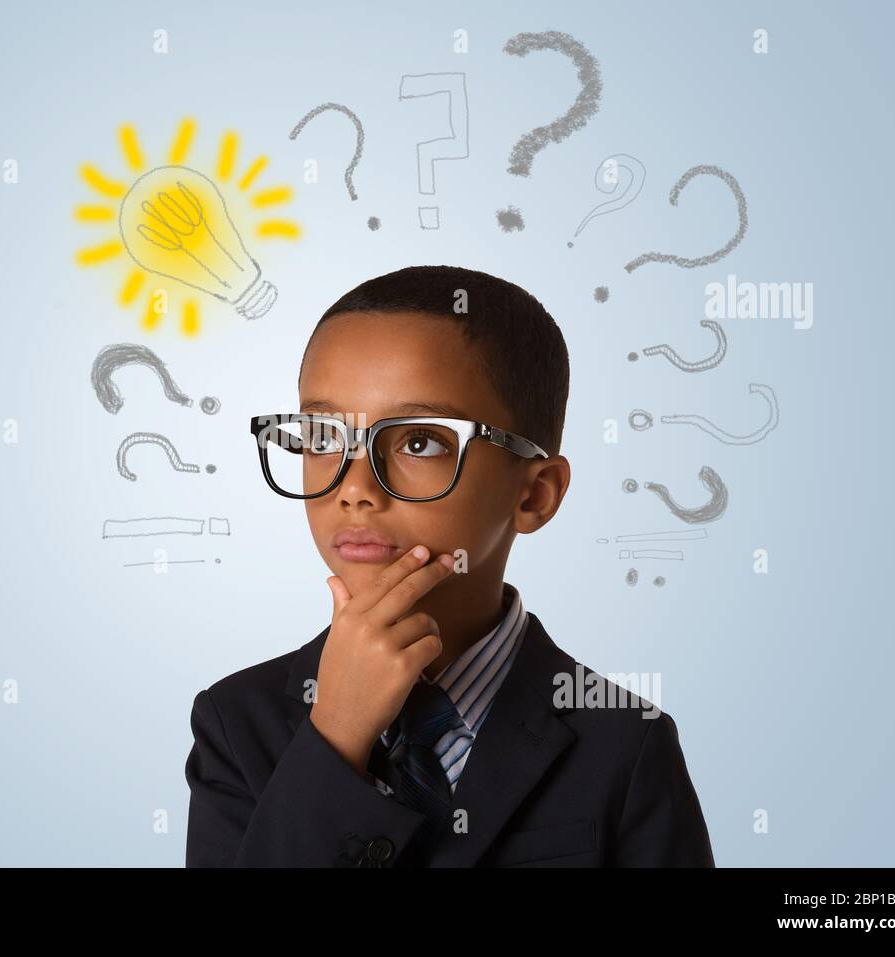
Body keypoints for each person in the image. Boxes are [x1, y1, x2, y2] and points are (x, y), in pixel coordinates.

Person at [184, 264, 714, 867]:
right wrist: (333, 735)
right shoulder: (236, 723)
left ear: (534, 494)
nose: (354, 487)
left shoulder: (624, 741)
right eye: (322, 436)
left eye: (419, 442)